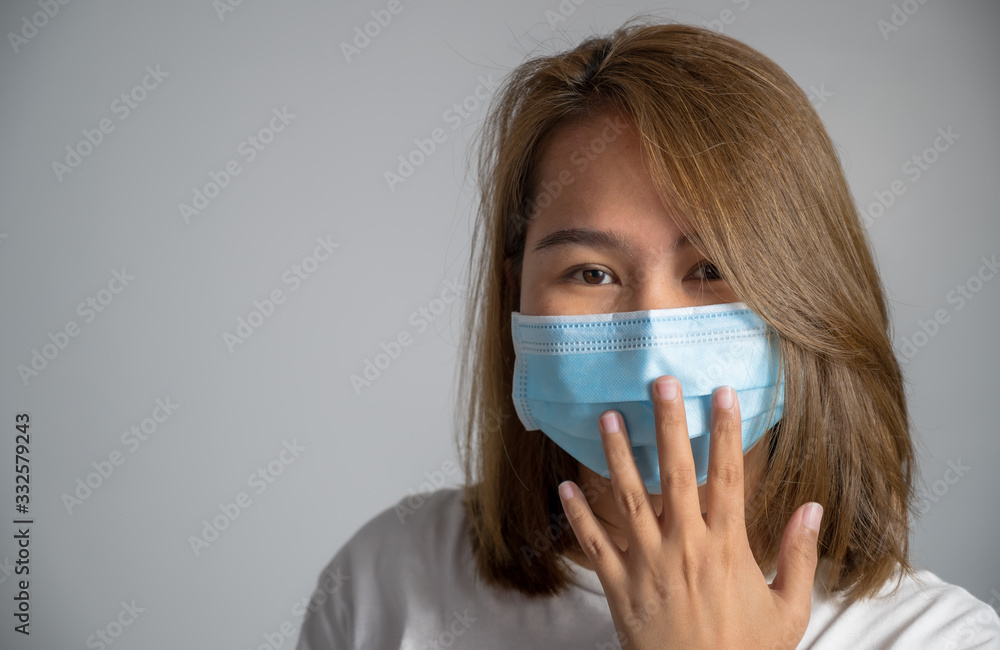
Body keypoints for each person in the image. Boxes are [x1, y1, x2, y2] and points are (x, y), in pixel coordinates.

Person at [295, 19, 1000, 649]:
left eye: (712, 268)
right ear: (517, 299)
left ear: (810, 295)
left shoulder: (942, 638)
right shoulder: (385, 582)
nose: (653, 347)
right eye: (592, 273)